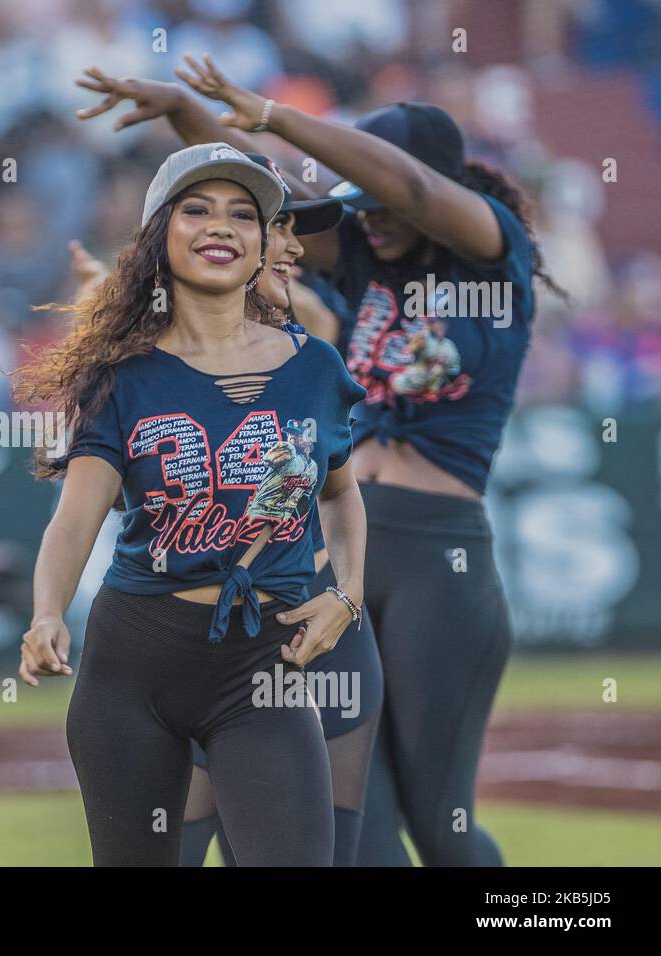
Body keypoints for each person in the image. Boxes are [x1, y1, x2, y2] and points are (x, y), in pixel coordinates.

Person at [77, 54, 561, 865]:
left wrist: (275, 110)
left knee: (438, 818)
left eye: (375, 203)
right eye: (356, 210)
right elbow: (264, 195)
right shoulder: (368, 258)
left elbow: (409, 191)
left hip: (439, 554)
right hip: (326, 558)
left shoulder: (489, 256)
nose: (366, 220)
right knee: (350, 815)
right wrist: (186, 112)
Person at [13, 142, 367, 866]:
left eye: (244, 214)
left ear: (266, 241)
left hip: (258, 671)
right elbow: (76, 519)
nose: (222, 227)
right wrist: (47, 610)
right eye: (197, 209)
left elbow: (341, 496)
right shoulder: (122, 376)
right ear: (158, 237)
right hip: (132, 667)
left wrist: (349, 595)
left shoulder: (314, 367)